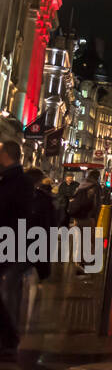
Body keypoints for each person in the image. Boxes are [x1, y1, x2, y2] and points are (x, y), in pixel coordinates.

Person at [0, 141, 33, 354]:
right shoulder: (14, 180)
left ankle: (10, 341)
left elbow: (9, 211)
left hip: (9, 243)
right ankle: (9, 340)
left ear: (6, 154)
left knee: (8, 292)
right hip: (11, 243)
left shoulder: (16, 182)